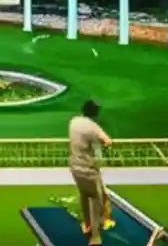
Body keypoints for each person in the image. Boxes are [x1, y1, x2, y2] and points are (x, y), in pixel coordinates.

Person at [68, 100, 114, 246]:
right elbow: (108, 141)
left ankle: (87, 225)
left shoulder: (74, 121)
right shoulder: (92, 127)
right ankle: (95, 237)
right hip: (88, 168)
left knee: (84, 195)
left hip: (74, 166)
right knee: (96, 201)